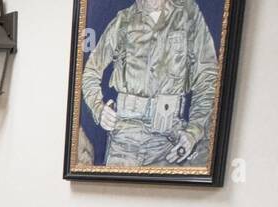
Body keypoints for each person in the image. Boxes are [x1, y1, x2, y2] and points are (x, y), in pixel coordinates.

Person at [81, 0, 219, 167]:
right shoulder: (123, 20)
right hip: (125, 140)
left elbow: (208, 77)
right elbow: (90, 72)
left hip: (170, 140)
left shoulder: (188, 14)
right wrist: (99, 109)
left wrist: (194, 131)